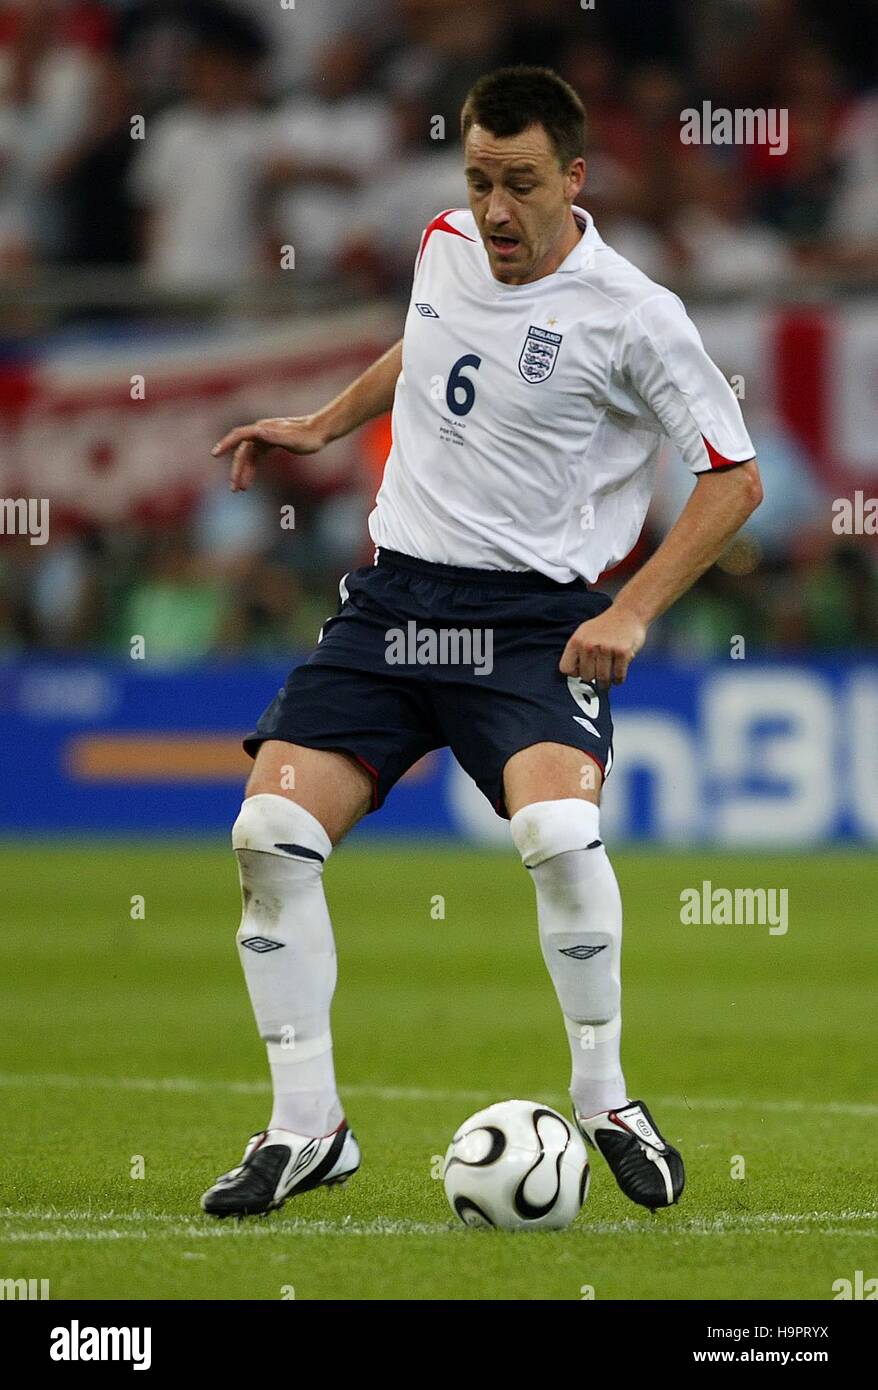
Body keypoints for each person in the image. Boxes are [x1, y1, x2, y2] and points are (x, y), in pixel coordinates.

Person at [203, 66, 762, 1219]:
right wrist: (320, 421)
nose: (494, 211)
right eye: (477, 181)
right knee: (266, 832)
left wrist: (632, 607)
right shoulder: (445, 244)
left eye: (518, 185)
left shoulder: (634, 313)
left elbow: (733, 475)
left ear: (573, 178)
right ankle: (307, 1126)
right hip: (392, 600)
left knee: (559, 831)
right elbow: (427, 346)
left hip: (530, 626)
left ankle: (603, 1096)